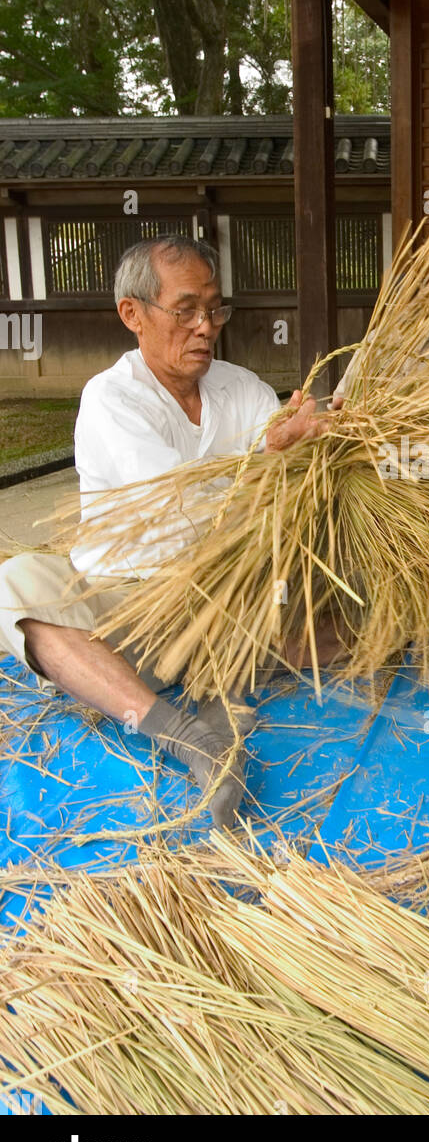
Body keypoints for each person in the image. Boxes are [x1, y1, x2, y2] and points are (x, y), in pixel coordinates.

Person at [0, 235, 336, 828]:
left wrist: (310, 451)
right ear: (133, 314)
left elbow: (286, 491)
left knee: (346, 584)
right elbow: (176, 505)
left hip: (236, 600)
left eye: (214, 309)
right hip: (133, 605)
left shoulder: (245, 390)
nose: (205, 326)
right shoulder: (112, 398)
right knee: (16, 586)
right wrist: (266, 462)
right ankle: (183, 734)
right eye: (186, 311)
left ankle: (223, 681)